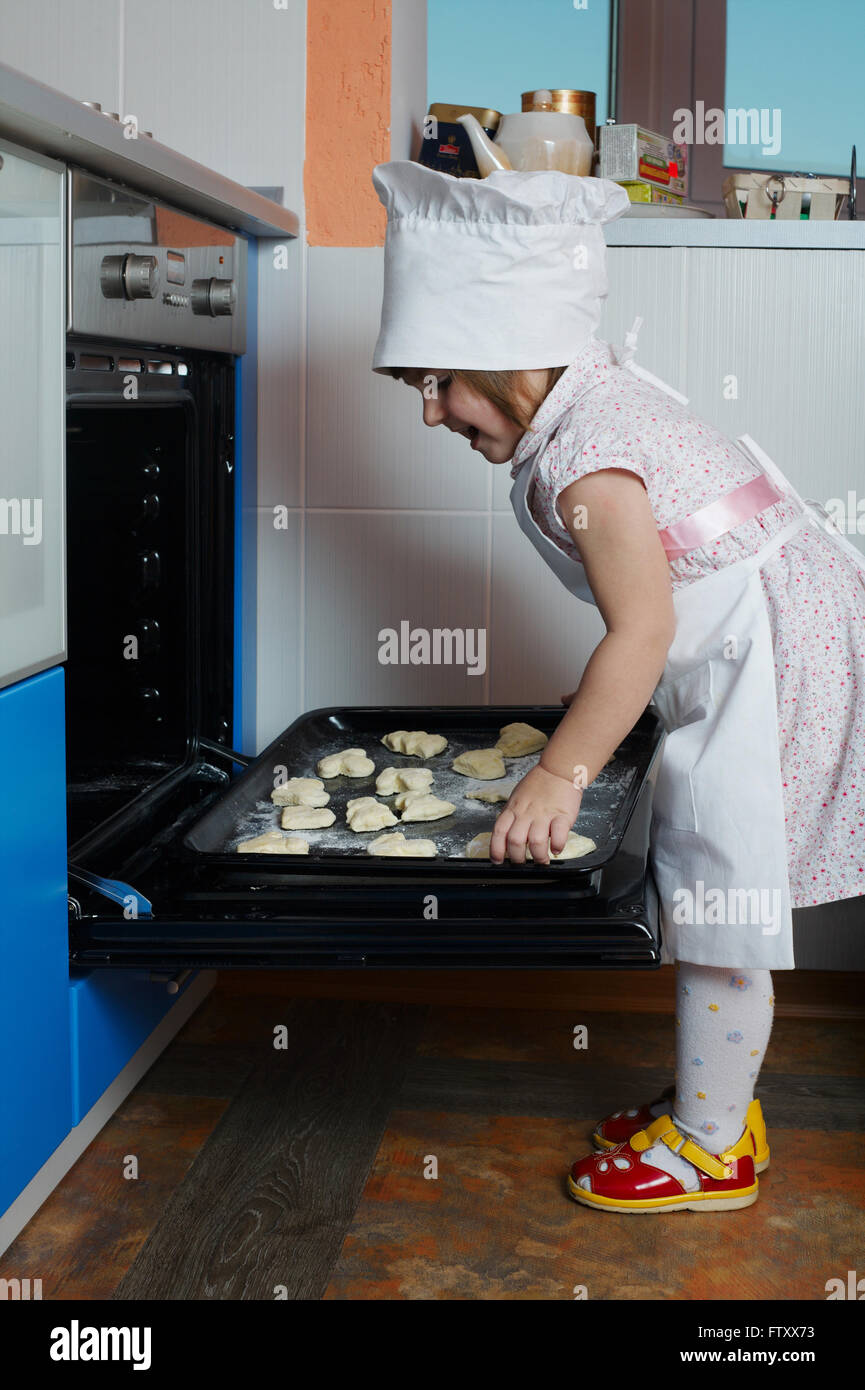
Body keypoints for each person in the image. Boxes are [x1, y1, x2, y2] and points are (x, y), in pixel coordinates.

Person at [370, 159, 865, 1214]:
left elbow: (641, 630)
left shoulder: (587, 459)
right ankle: (716, 1096)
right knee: (704, 880)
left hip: (773, 658)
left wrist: (561, 771)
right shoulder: (584, 409)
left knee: (716, 890)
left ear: (512, 358)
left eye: (439, 380)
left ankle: (710, 1148)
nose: (428, 412)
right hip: (755, 642)